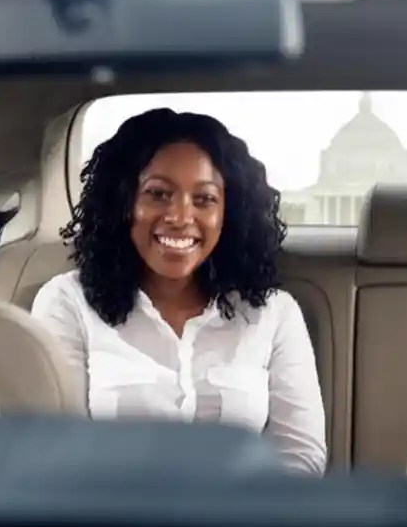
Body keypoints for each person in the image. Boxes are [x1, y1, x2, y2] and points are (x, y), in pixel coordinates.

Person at [31, 108, 327, 474]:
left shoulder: (274, 313)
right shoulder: (66, 302)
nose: (180, 216)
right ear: (124, 204)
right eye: (158, 194)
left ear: (229, 213)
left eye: (204, 200)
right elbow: (57, 451)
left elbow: (300, 458)